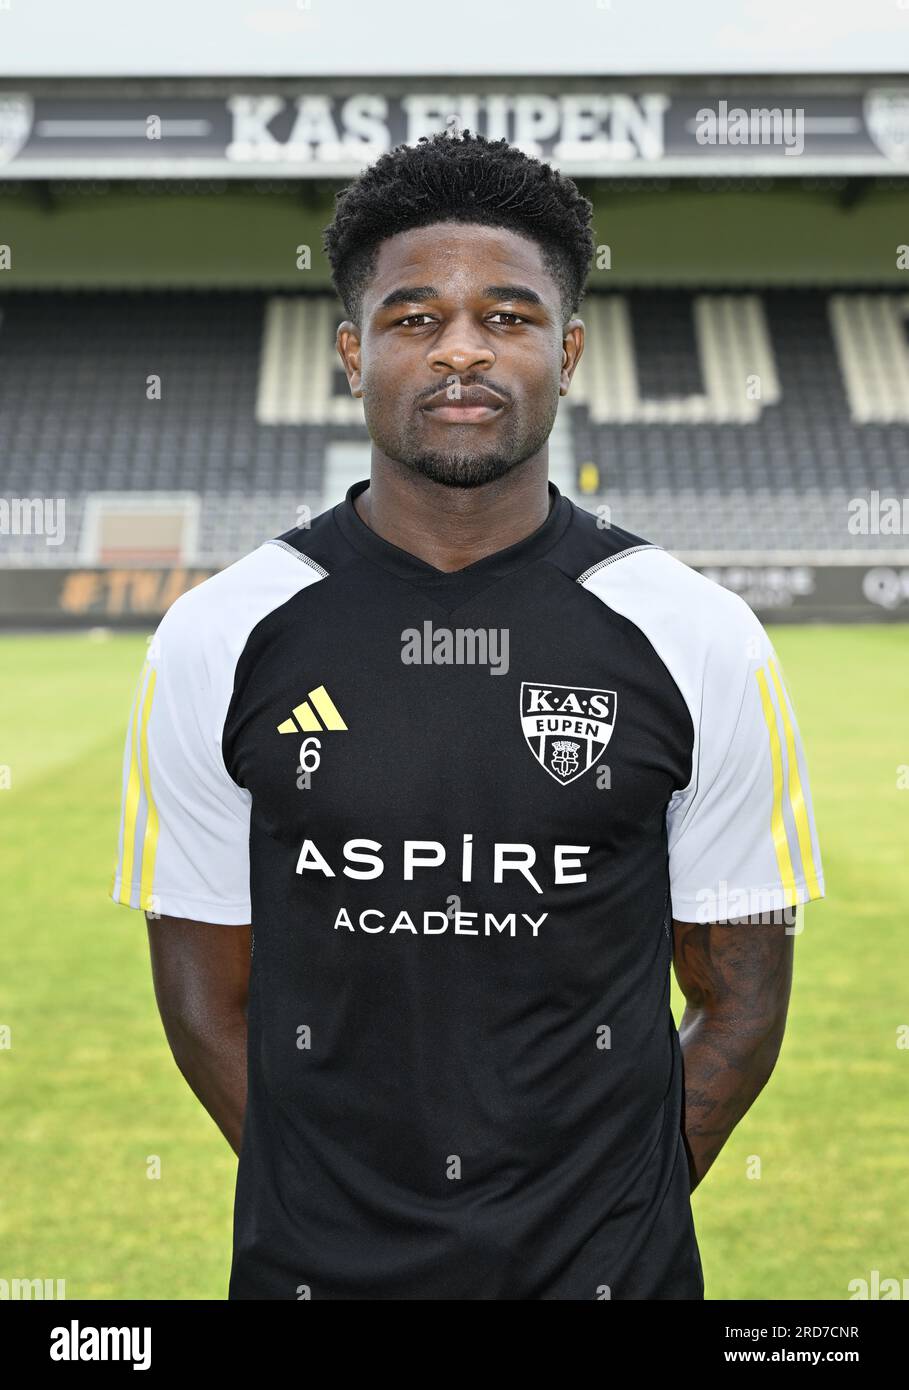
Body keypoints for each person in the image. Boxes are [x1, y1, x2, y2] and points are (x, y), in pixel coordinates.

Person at [110, 130, 824, 1300]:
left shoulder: (697, 635)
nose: (459, 351)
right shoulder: (220, 634)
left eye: (506, 316)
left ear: (568, 347)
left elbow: (741, 1004)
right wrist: (352, 1222)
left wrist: (592, 1225)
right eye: (411, 318)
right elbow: (202, 998)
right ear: (351, 351)